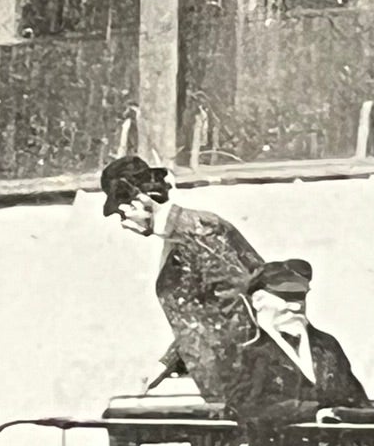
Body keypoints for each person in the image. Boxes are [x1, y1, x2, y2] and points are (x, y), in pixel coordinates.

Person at [100, 156, 265, 404]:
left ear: (140, 200)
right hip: (223, 382)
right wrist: (168, 363)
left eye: (122, 212)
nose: (123, 223)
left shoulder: (200, 232)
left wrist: (231, 390)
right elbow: (206, 317)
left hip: (243, 384)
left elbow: (239, 311)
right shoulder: (178, 237)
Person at [215, 259, 374, 446]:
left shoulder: (327, 345)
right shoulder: (240, 349)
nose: (296, 306)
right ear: (259, 300)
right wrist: (315, 412)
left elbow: (355, 398)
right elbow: (247, 406)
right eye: (285, 297)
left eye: (301, 297)